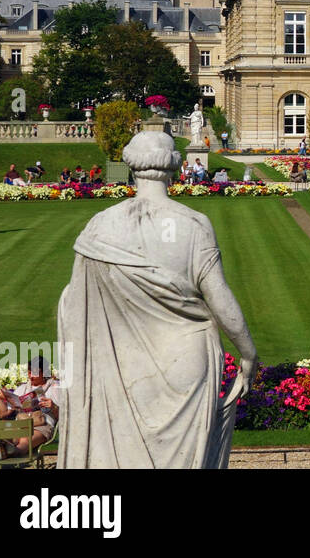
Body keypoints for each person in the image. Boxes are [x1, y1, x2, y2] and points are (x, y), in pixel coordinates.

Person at [57, 130, 258, 468]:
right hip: (186, 360)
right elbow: (220, 298)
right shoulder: (194, 224)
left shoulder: (100, 226)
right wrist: (248, 353)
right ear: (176, 167)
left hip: (122, 363)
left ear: (131, 164)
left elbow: (73, 306)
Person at [0, 356, 61, 460]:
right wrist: (1, 399)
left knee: (25, 439)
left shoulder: (54, 388)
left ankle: (9, 451)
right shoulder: (22, 389)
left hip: (42, 425)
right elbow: (3, 414)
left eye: (35, 372)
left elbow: (64, 416)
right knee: (13, 438)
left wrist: (54, 407)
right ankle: (5, 448)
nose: (31, 376)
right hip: (21, 424)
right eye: (29, 372)